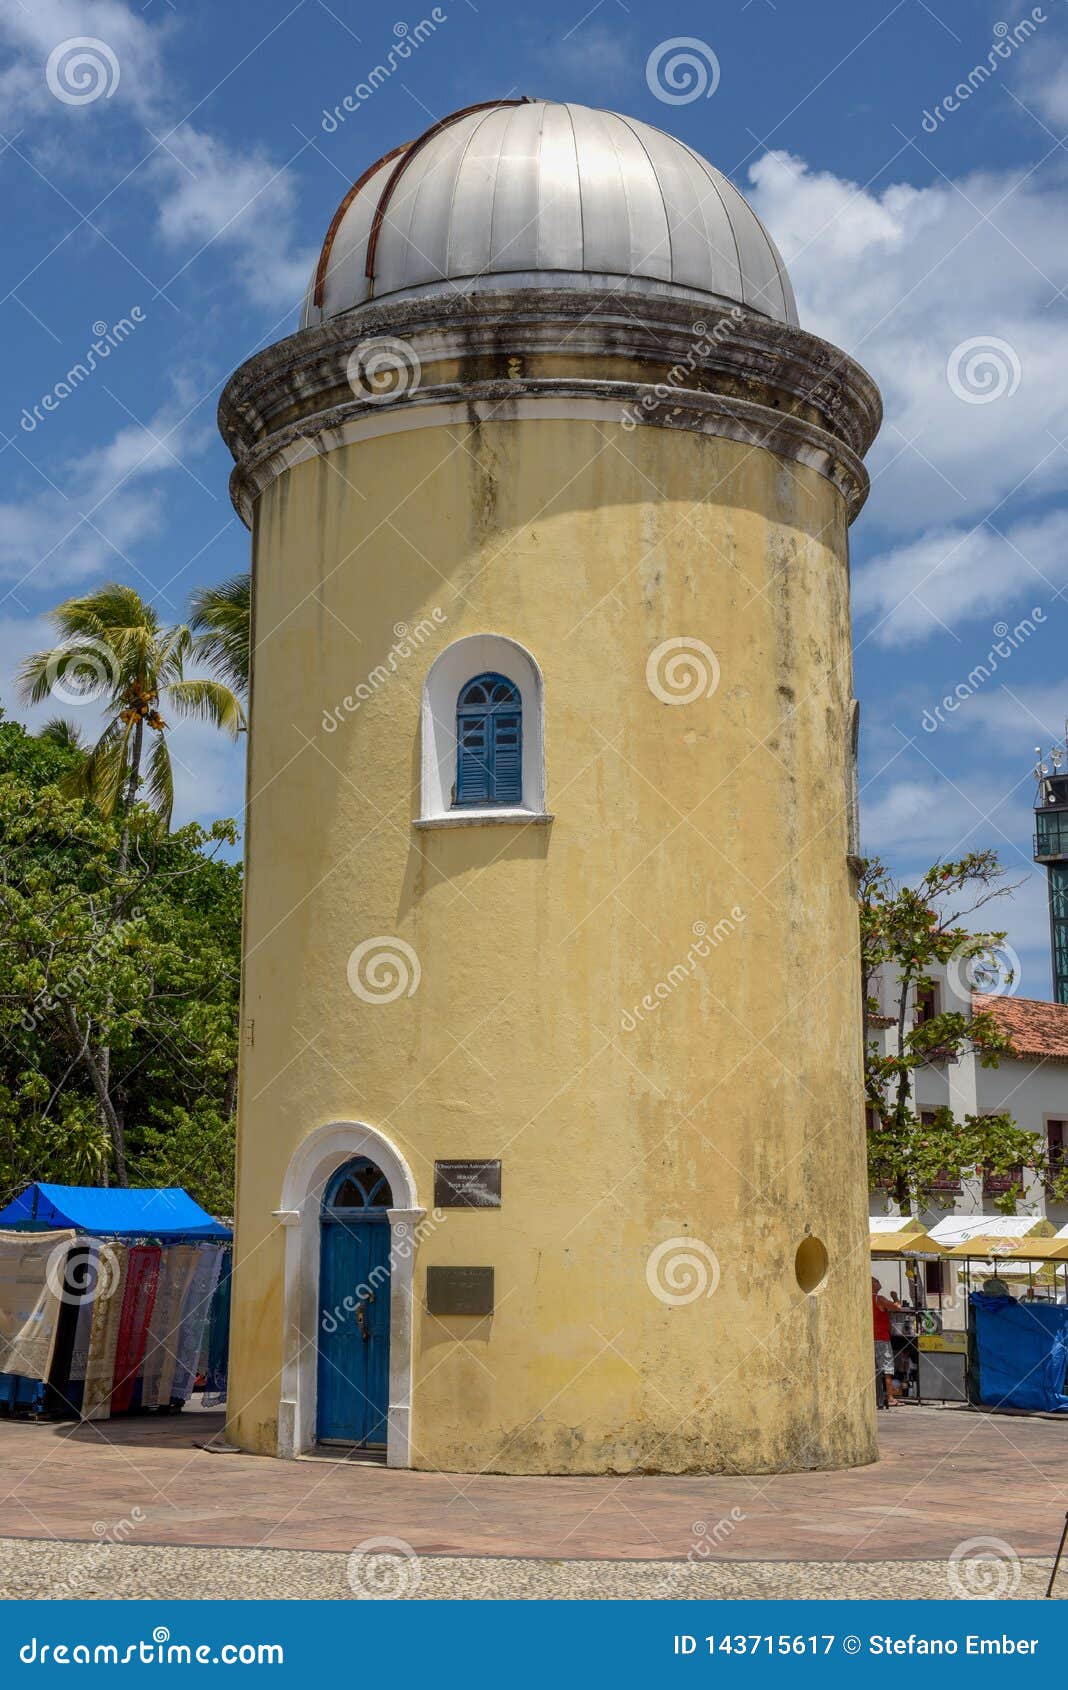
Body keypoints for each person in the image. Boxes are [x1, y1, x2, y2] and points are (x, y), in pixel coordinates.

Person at [872, 1276, 901, 1406]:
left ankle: (878, 1397)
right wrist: (895, 1297)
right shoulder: (880, 1299)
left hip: (870, 1338)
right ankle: (890, 1397)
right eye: (877, 1281)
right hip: (882, 1338)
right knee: (887, 1368)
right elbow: (897, 1307)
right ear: (872, 1284)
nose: (879, 1282)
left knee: (875, 1369)